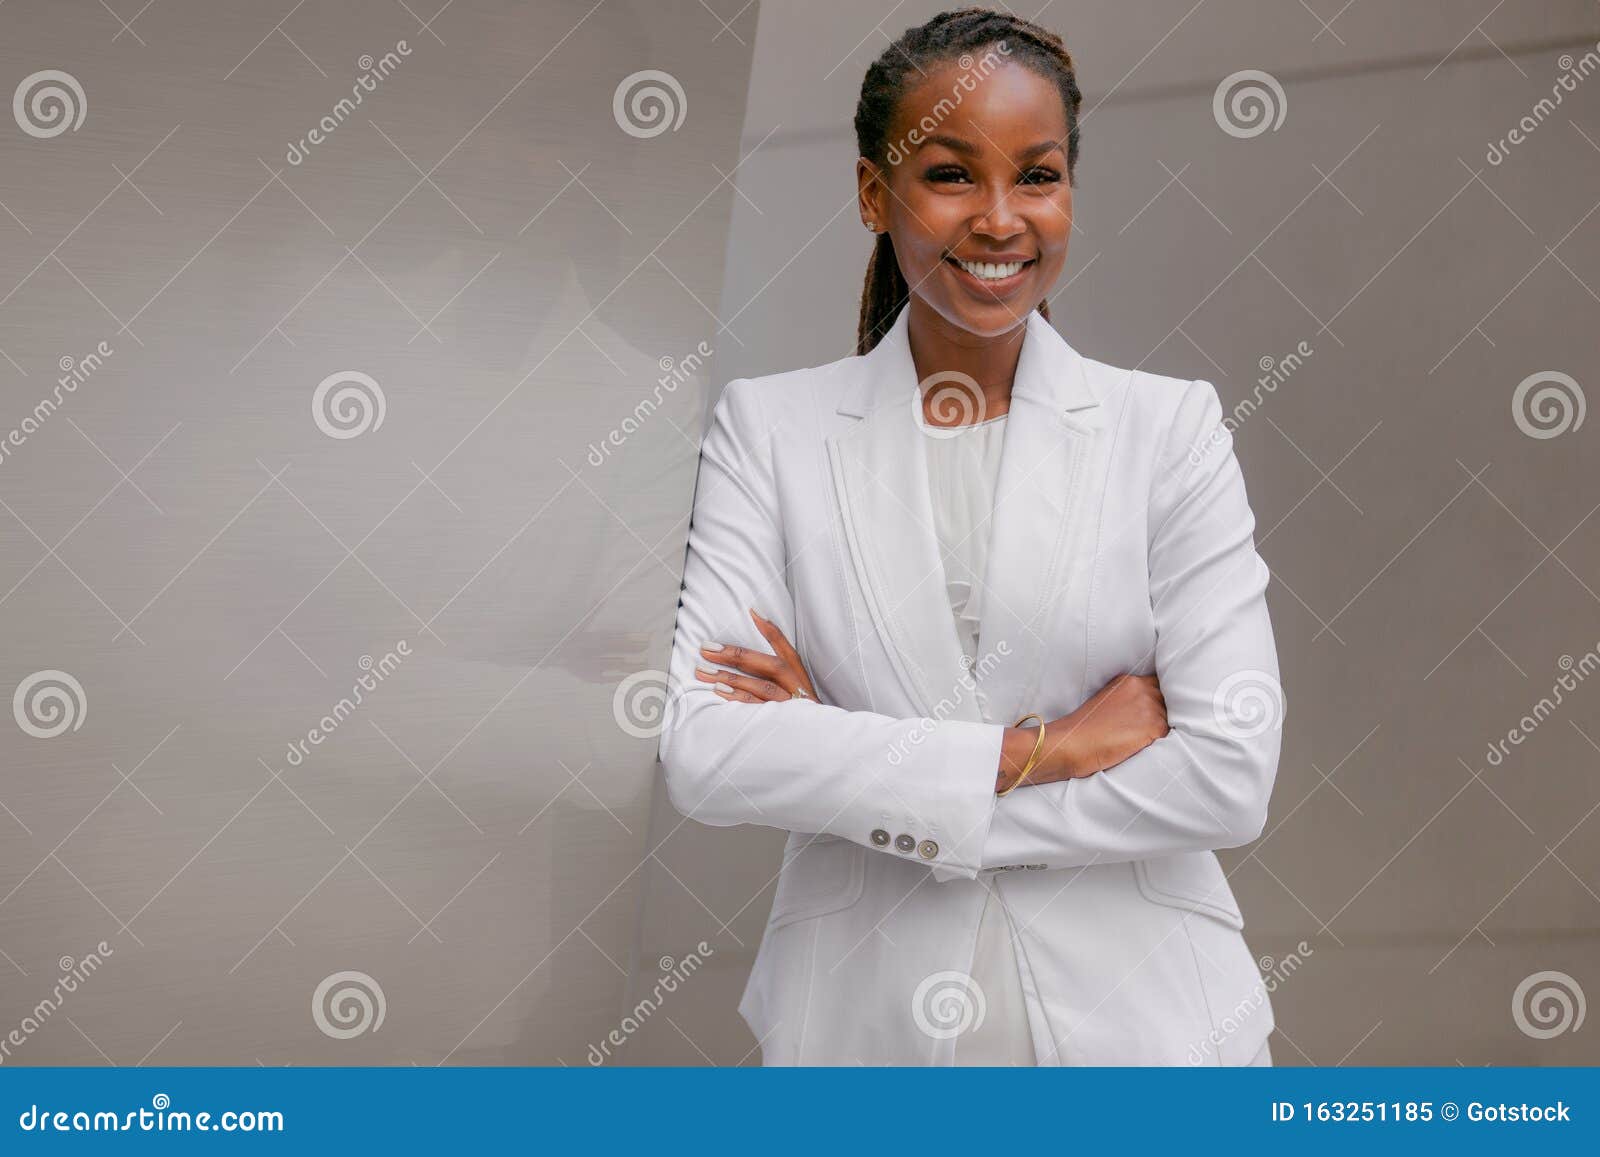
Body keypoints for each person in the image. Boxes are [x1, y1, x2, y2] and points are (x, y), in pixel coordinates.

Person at [659, 7, 1284, 1067]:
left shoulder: (1165, 429)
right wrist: (1042, 750)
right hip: (861, 1034)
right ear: (873, 194)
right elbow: (709, 750)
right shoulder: (771, 430)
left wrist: (869, 774)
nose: (1001, 219)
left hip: (1151, 1036)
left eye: (1036, 176)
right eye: (951, 176)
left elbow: (1228, 773)